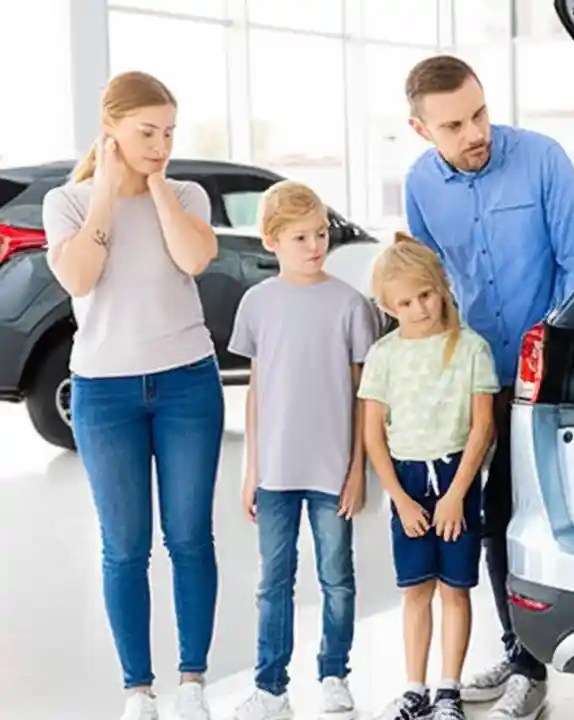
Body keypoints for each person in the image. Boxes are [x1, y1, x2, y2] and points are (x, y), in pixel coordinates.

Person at [402, 53, 574, 720]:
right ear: (421, 130)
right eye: (454, 125)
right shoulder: (419, 186)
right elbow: (431, 283)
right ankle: (518, 651)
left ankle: (530, 667)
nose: (475, 132)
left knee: (519, 511)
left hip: (539, 377)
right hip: (471, 377)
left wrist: (554, 363)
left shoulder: (543, 159)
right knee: (482, 518)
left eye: (479, 113)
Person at [41, 71, 223, 720]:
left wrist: (156, 187)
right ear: (110, 129)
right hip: (105, 393)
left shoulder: (187, 194)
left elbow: (193, 259)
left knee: (190, 538)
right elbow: (80, 278)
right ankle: (137, 690)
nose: (161, 145)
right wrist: (106, 195)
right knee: (124, 547)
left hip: (187, 383)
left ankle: (194, 681)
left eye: (169, 132)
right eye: (147, 133)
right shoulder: (66, 204)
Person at [227, 180, 378, 720]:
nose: (315, 246)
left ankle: (334, 674)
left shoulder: (350, 305)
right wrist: (251, 469)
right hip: (275, 472)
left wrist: (357, 470)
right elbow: (257, 390)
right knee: (274, 582)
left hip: (332, 471)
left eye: (320, 233)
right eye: (300, 237)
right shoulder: (257, 304)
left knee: (337, 578)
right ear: (271, 241)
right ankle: (271, 688)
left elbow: (364, 395)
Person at [360, 233, 499, 720]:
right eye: (405, 302)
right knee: (416, 589)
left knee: (455, 588)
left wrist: (457, 494)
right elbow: (373, 434)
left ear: (442, 287)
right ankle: (414, 689)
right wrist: (399, 498)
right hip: (408, 481)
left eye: (426, 294)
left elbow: (483, 426)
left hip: (457, 477)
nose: (419, 308)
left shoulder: (472, 348)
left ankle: (448, 691)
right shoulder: (384, 355)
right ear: (388, 307)